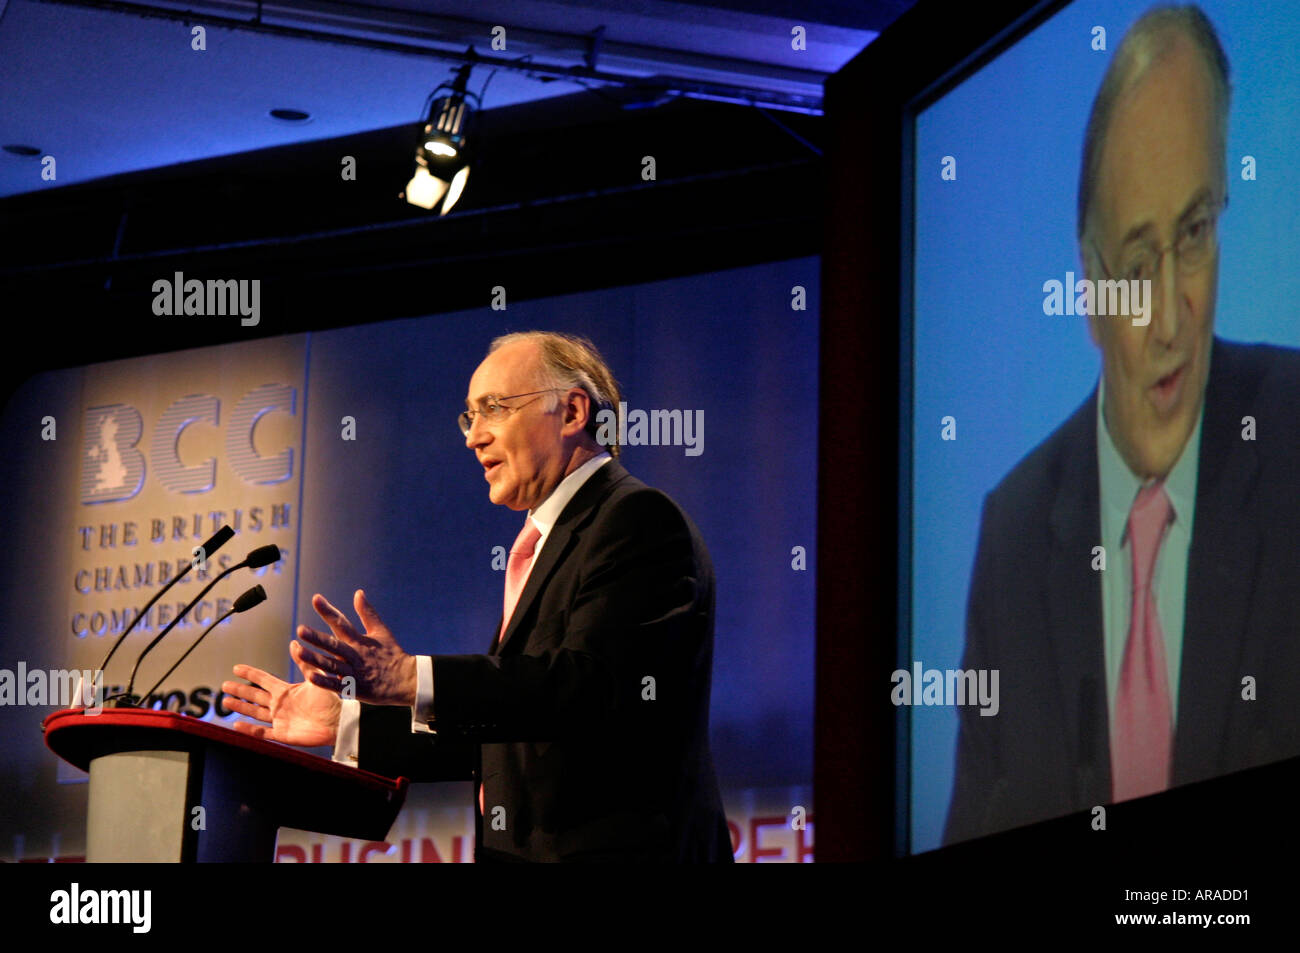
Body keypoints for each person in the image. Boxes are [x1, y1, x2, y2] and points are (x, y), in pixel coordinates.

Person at [944, 5, 1300, 844]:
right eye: (1139, 265)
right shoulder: (1016, 529)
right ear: (1089, 283)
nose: (1174, 316)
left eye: (1197, 234)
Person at [223, 331, 734, 862]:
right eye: (470, 417)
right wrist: (347, 721)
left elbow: (590, 690)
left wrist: (412, 677)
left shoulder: (637, 520)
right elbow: (509, 736)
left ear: (573, 411)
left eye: (493, 409)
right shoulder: (548, 543)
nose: (474, 438)